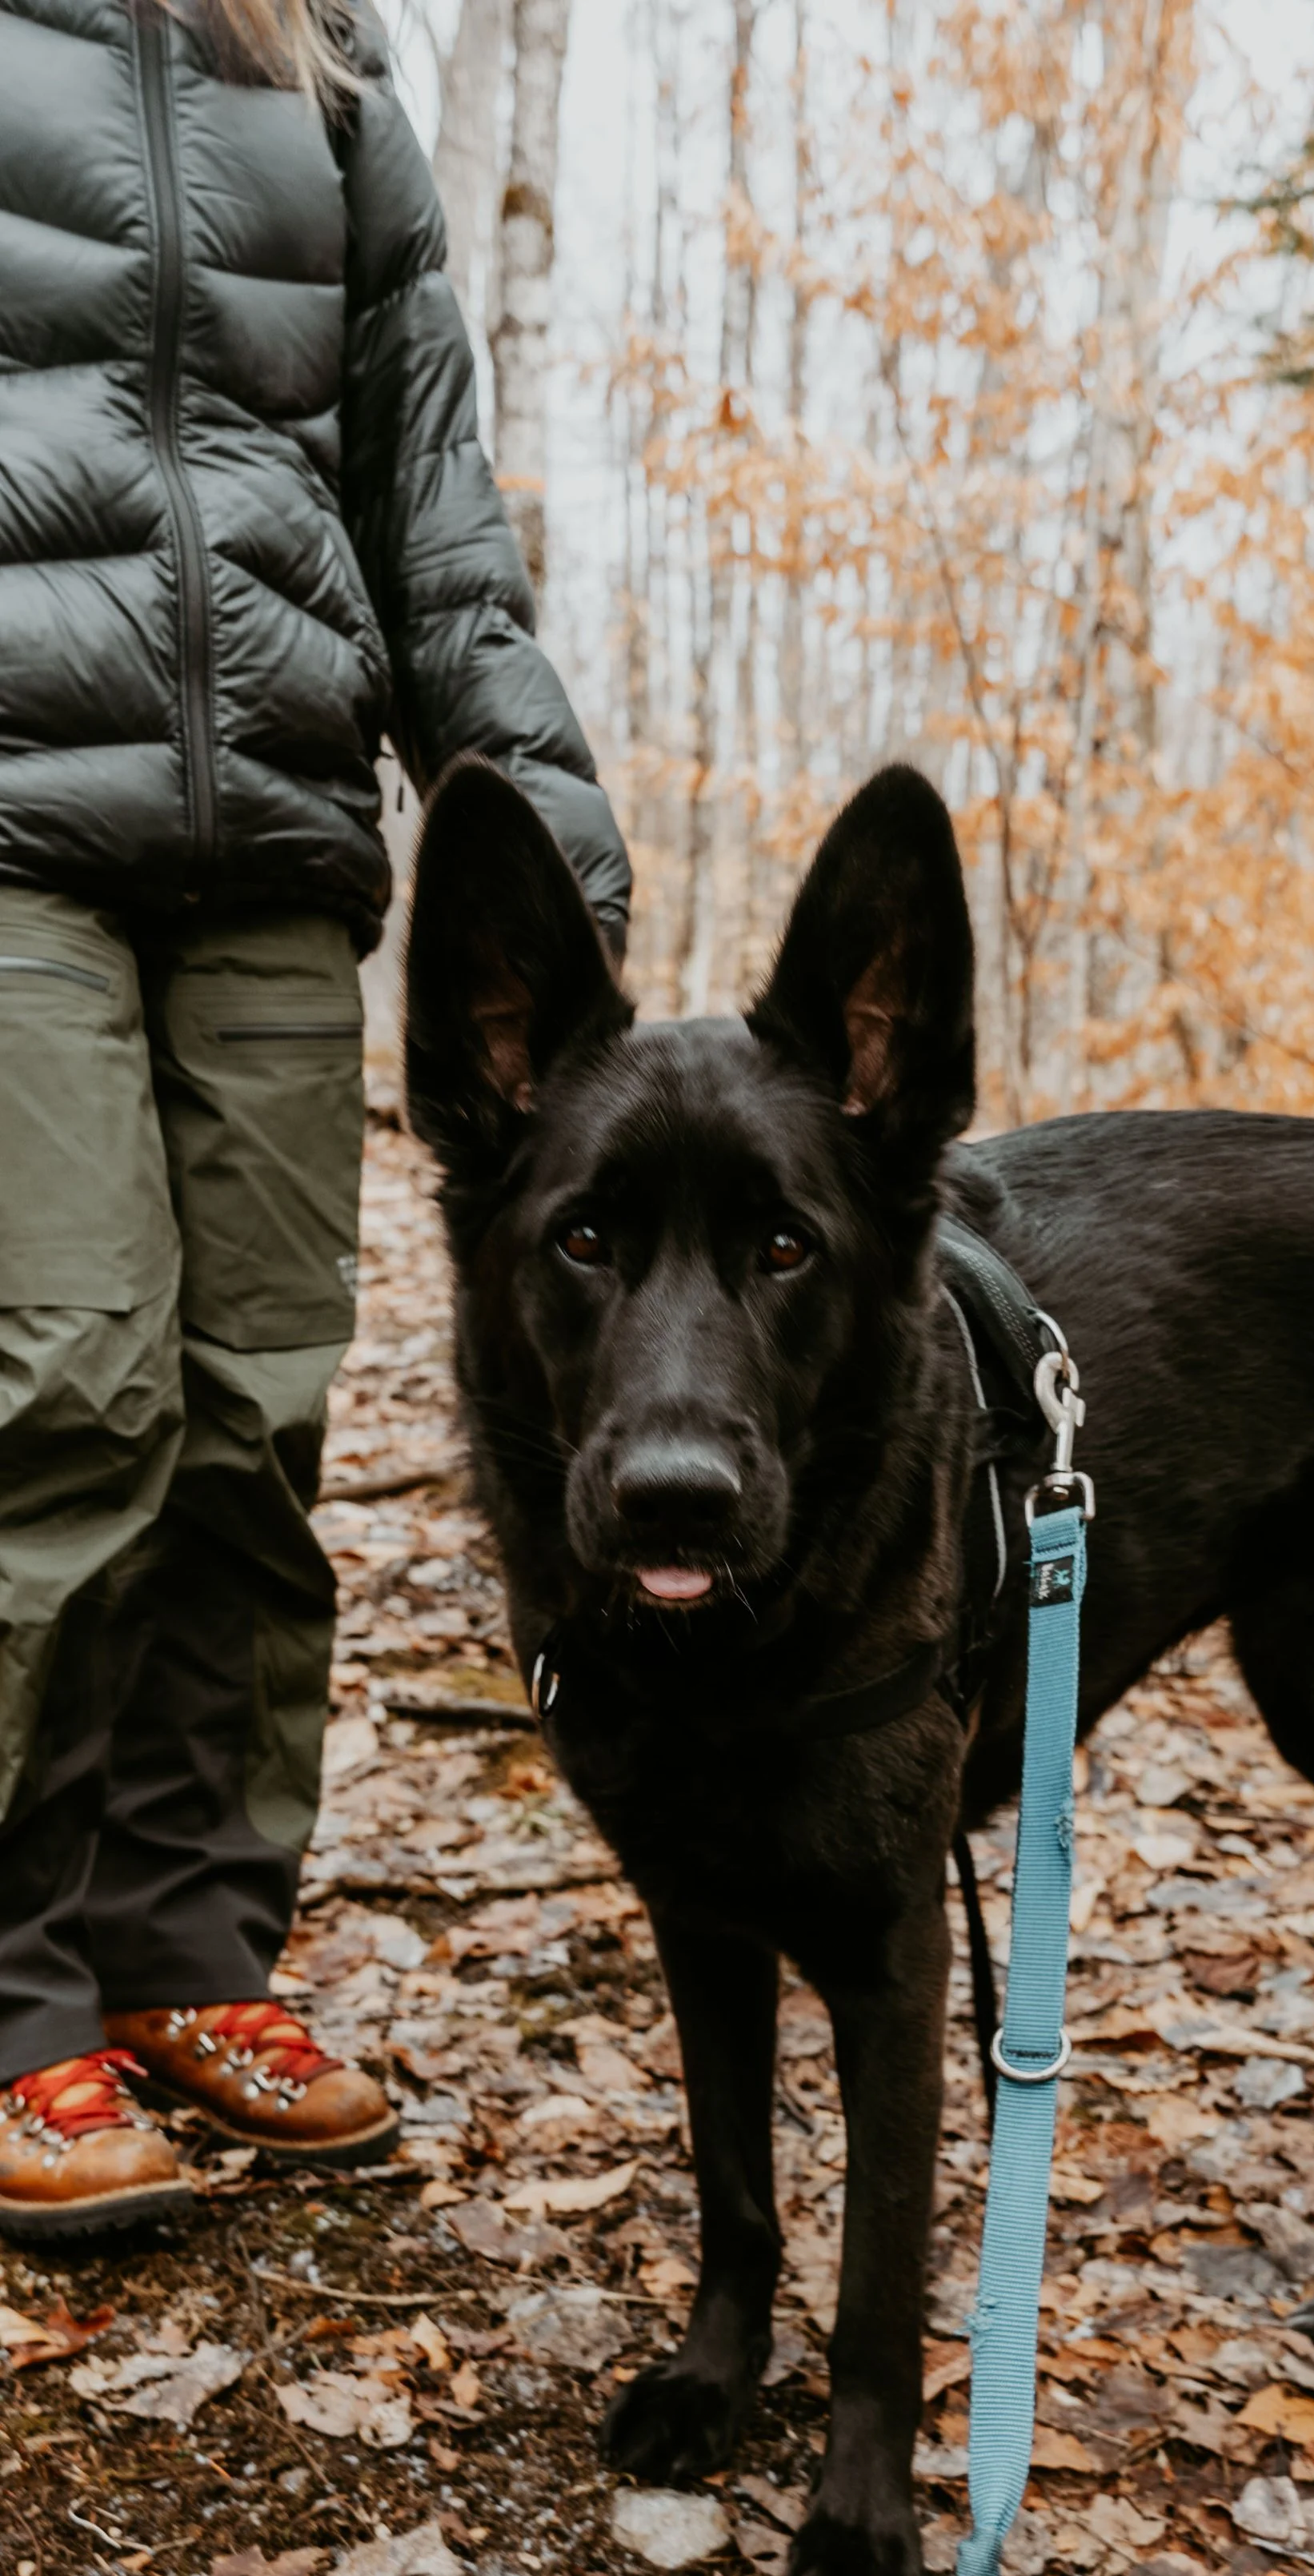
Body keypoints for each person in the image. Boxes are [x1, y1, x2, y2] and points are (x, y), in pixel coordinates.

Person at [0, 0, 630, 2238]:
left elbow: (426, 497)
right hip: (8, 824)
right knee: (68, 1378)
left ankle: (183, 1952)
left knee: (251, 1410)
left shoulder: (320, 59)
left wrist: (546, 832)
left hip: (275, 822)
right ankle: (8, 1989)